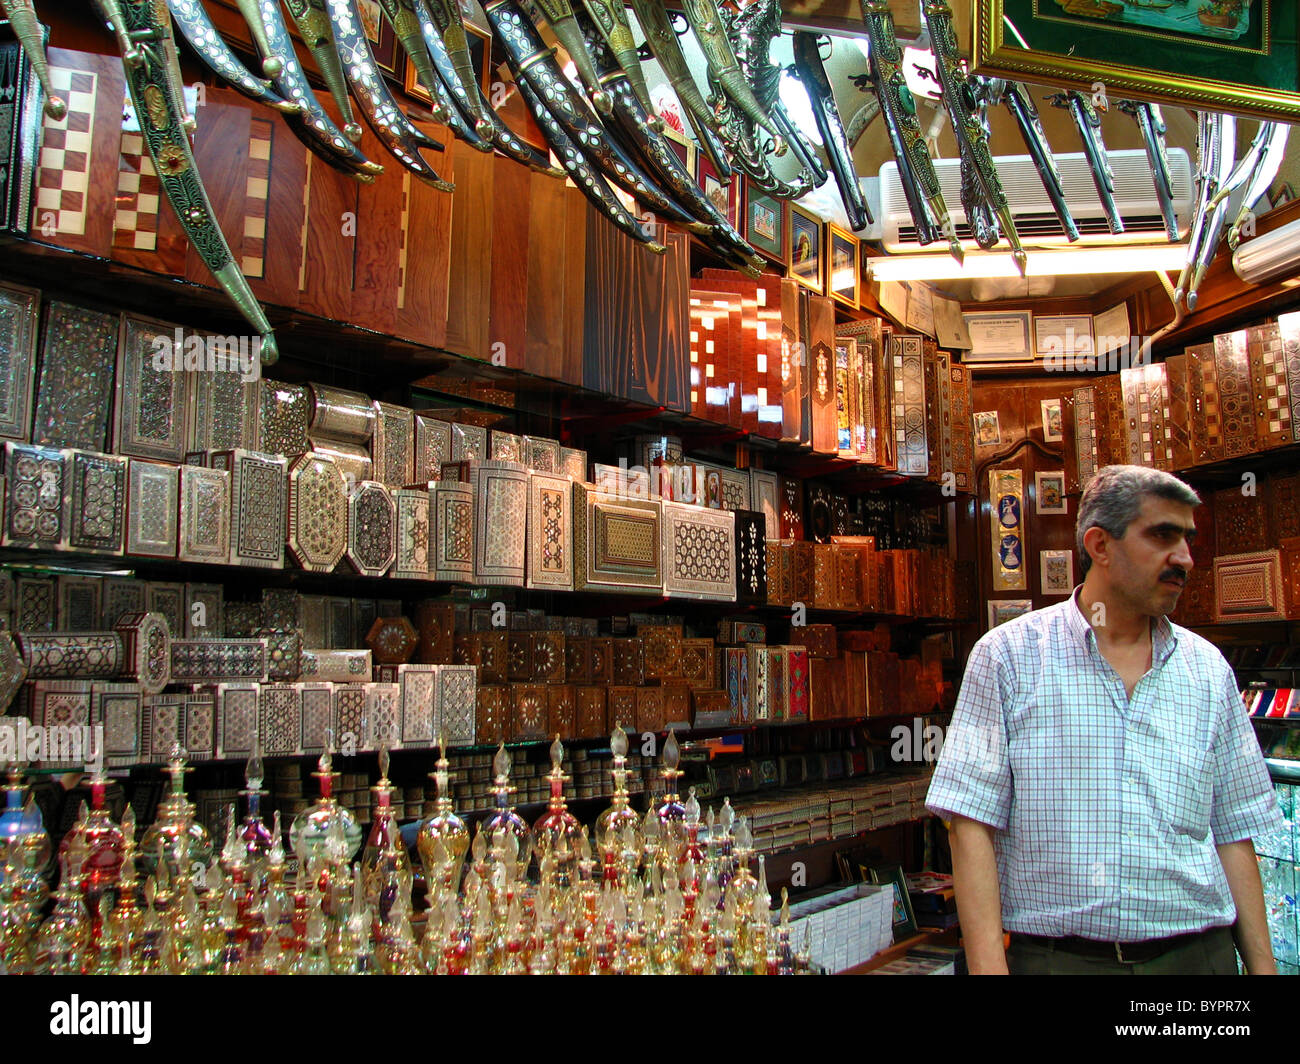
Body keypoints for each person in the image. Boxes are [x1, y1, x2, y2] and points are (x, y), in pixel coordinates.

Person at [927, 465, 1280, 974]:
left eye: (1187, 539)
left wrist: (1263, 971)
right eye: (1163, 535)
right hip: (1061, 960)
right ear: (1100, 545)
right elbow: (968, 822)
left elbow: (1234, 831)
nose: (1184, 558)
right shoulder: (1008, 659)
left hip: (1198, 959)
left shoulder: (1208, 671)